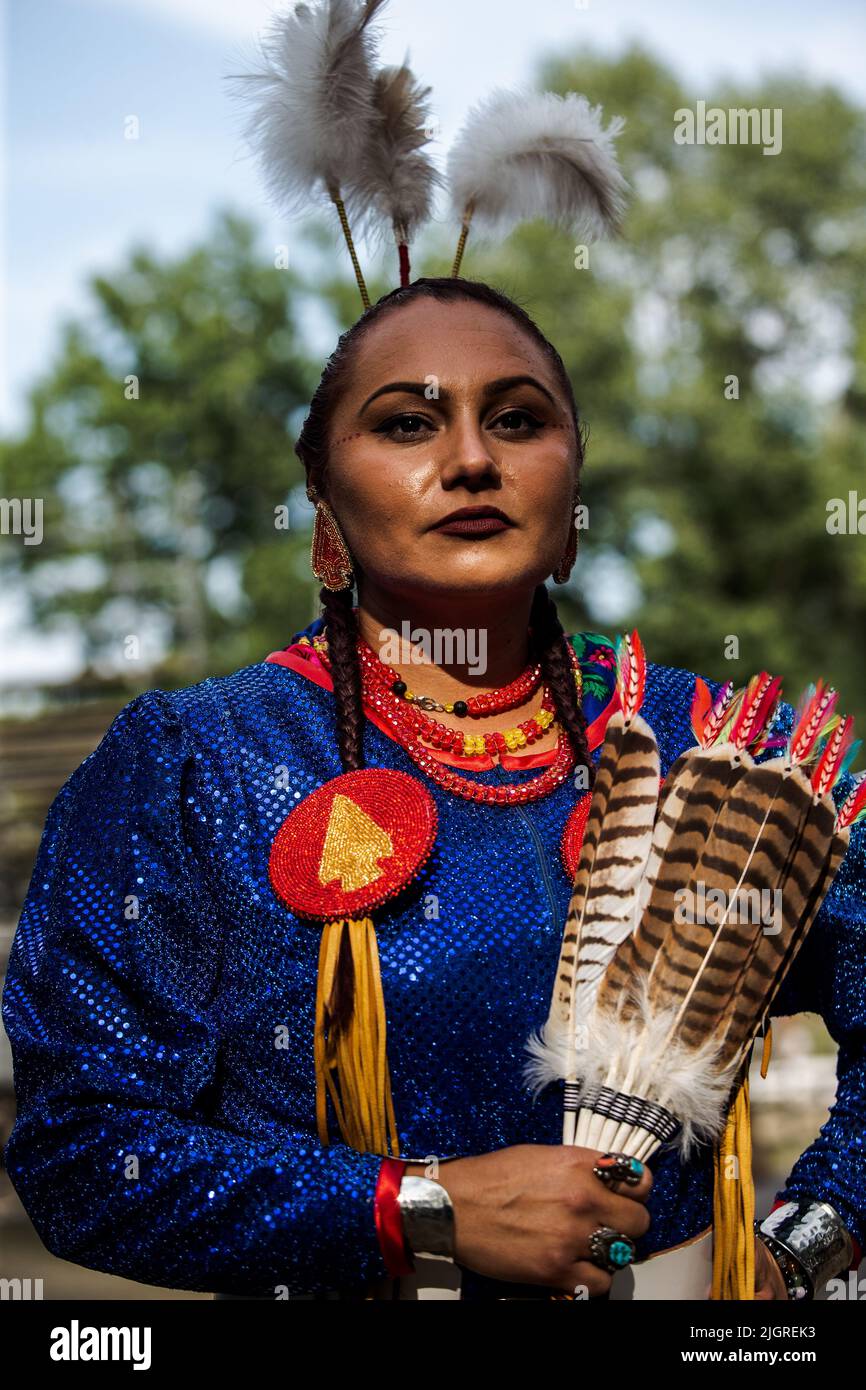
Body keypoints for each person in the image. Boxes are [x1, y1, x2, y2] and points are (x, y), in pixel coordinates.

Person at [2, 277, 863, 1301]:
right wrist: (419, 1207)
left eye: (517, 419)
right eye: (407, 423)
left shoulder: (711, 744)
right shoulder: (195, 766)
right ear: (322, 495)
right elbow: (84, 1150)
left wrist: (805, 1241)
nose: (469, 459)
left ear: (571, 487)